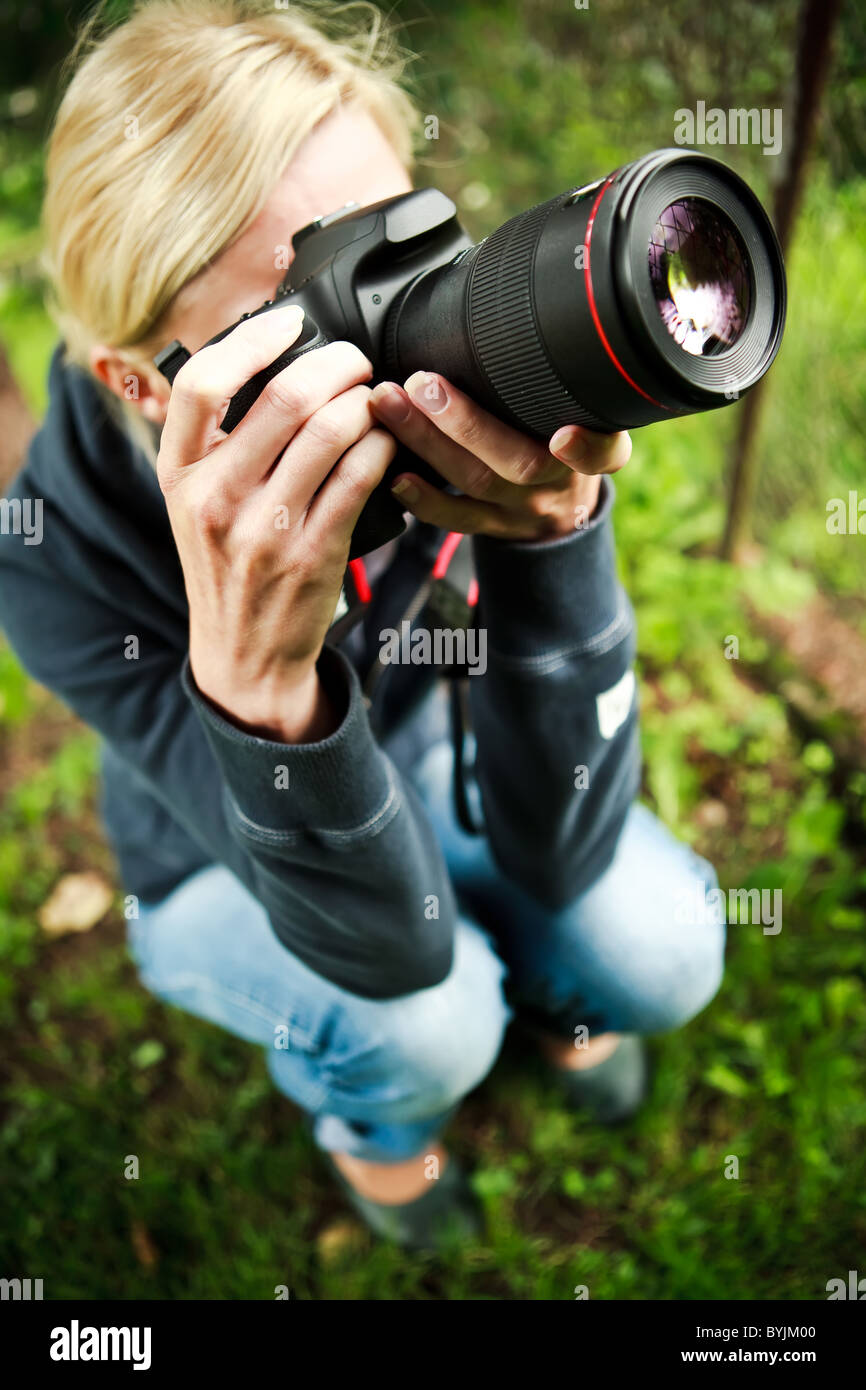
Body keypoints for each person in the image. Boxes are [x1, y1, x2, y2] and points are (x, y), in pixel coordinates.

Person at [0, 0, 724, 1249]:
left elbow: (570, 846)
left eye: (403, 247)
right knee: (425, 1018)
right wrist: (259, 683)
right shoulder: (49, 564)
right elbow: (385, 952)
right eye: (319, 318)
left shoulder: (439, 431)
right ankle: (379, 1135)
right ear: (144, 381)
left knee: (657, 948)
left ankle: (542, 990)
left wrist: (553, 539)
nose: (404, 339)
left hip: (422, 754)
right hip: (216, 845)